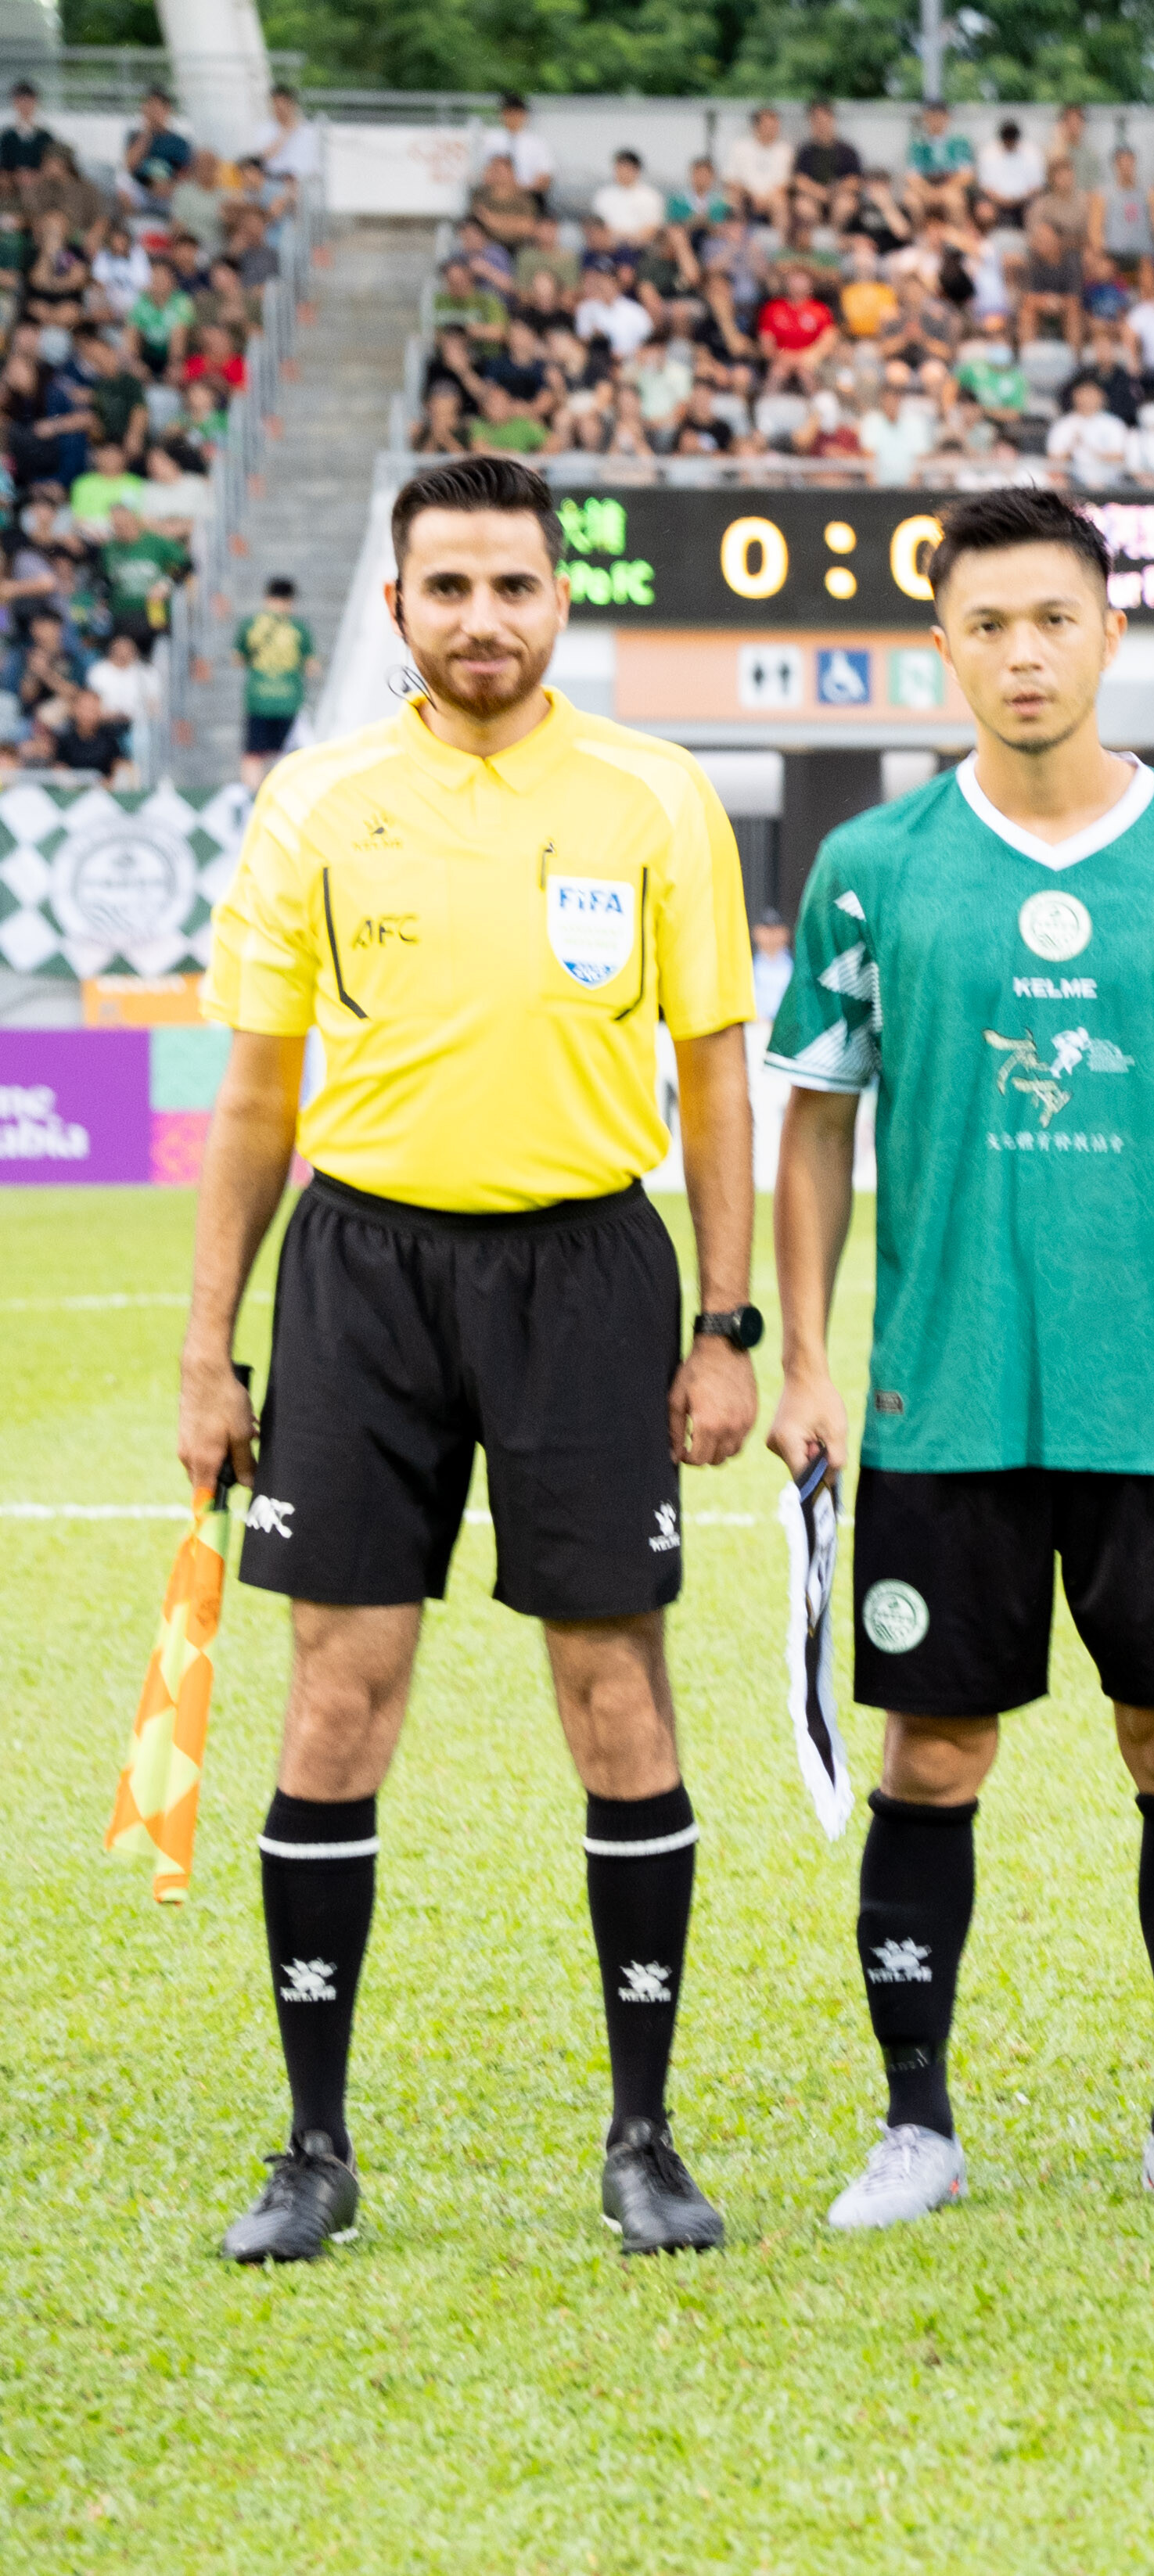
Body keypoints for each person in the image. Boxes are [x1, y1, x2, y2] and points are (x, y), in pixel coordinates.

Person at [179, 456, 757, 2265]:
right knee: (337, 1695)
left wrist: (724, 1322)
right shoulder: (320, 804)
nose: (485, 619)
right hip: (361, 1273)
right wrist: (211, 1347)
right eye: (451, 590)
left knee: (614, 1693)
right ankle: (313, 2146)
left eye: (515, 586)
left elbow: (717, 1079)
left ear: (557, 602)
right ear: (398, 607)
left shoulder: (656, 799)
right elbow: (259, 1098)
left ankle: (644, 2137)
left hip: (590, 1273)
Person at [759, 490, 1154, 2233]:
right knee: (933, 1760)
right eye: (988, 624)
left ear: (1109, 632)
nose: (1023, 653)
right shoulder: (874, 867)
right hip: (945, 1392)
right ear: (945, 645)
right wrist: (804, 1357)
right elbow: (813, 1128)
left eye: (1053, 621)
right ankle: (915, 2124)